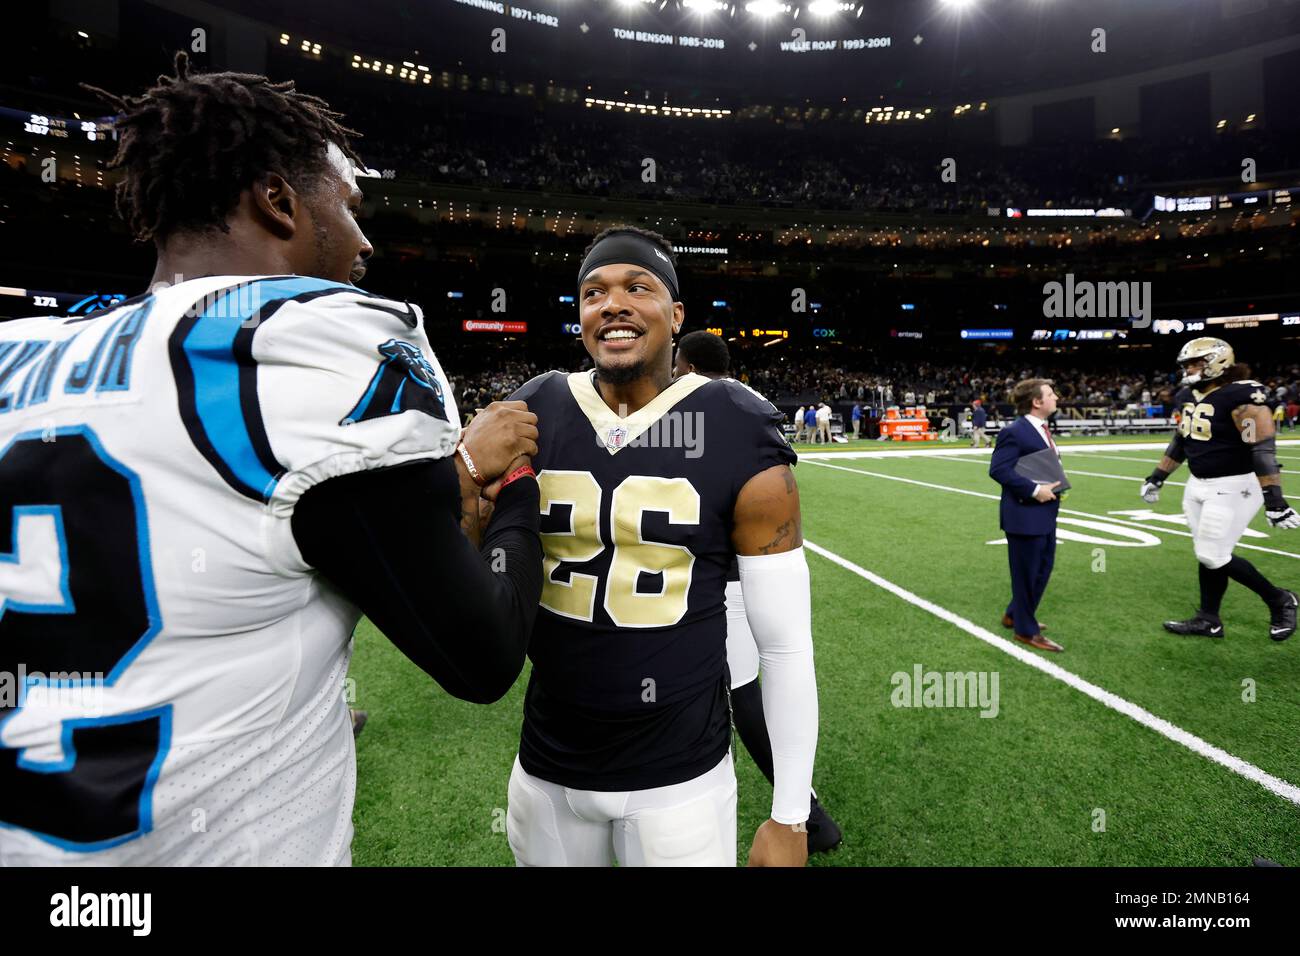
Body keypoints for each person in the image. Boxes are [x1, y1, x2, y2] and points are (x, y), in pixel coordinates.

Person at [0, 54, 543, 865]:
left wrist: (453, 469)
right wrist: (519, 485)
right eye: (349, 206)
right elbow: (483, 657)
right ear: (280, 201)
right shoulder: (317, 341)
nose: (362, 239)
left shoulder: (15, 354)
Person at [504, 227, 819, 867]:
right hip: (546, 765)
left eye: (636, 288)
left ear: (676, 315)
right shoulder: (534, 409)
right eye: (593, 293)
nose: (612, 305)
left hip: (680, 778)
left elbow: (784, 641)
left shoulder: (735, 422)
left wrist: (790, 815)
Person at [673, 331, 842, 854]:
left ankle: (806, 816)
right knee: (748, 685)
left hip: (727, 579)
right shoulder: (753, 404)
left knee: (743, 693)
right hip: (761, 565)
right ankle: (801, 811)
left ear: (688, 364)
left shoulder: (698, 408)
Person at [1139, 338, 1297, 640]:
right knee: (1208, 554)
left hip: (1236, 484)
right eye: (1187, 364)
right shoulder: (1188, 395)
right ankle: (1209, 619)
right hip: (1198, 484)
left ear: (1218, 361)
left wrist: (1274, 499)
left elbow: (1261, 449)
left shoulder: (1243, 396)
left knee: (1213, 554)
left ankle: (1280, 599)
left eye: (1196, 363)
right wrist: (1157, 475)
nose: (1189, 369)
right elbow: (1182, 439)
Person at [988, 379, 1066, 652]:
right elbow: (999, 469)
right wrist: (1034, 490)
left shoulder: (1042, 428)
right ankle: (1025, 630)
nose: (1056, 397)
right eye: (1050, 394)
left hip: (1044, 513)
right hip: (1024, 515)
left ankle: (1014, 614)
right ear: (1036, 402)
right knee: (1027, 573)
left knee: (1041, 570)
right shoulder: (1015, 431)